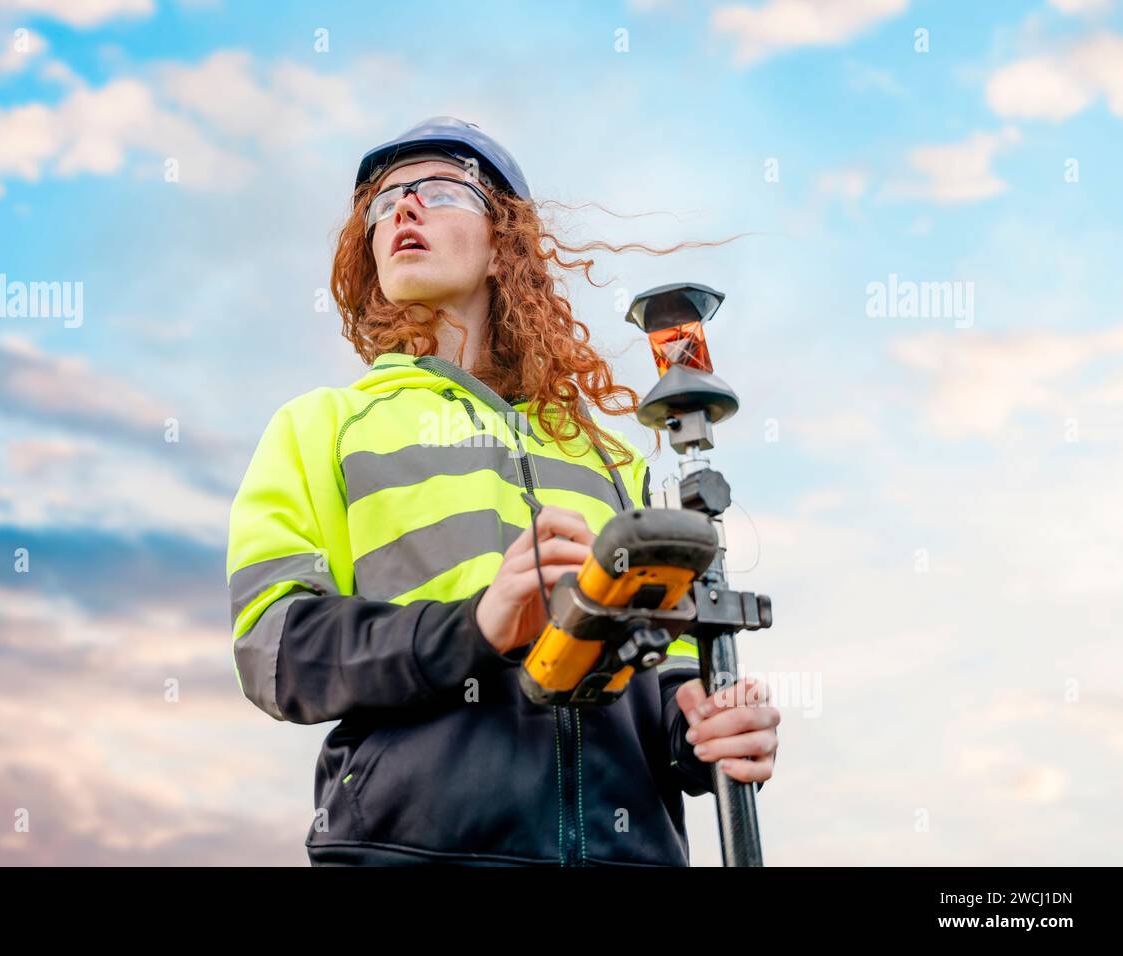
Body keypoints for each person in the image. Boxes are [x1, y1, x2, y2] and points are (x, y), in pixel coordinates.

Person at [227, 116, 779, 866]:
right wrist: (473, 628)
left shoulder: (610, 454)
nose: (403, 210)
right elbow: (275, 651)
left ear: (504, 244)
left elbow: (670, 660)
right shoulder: (321, 426)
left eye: (440, 190)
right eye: (384, 204)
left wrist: (700, 729)